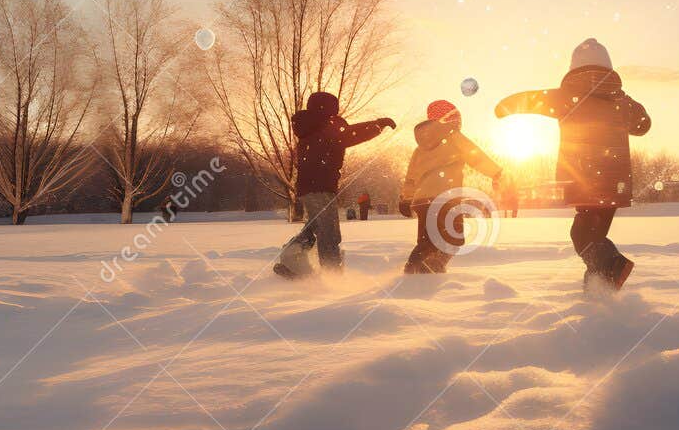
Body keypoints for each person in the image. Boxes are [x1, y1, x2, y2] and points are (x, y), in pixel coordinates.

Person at [496, 39, 650, 292]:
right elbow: (643, 125)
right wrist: (628, 103)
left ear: (574, 68)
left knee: (582, 235)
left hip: (583, 179)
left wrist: (506, 106)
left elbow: (533, 99)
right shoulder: (621, 102)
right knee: (595, 235)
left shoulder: (567, 96)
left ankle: (613, 266)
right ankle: (599, 287)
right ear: (609, 68)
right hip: (615, 182)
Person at [274, 93, 396, 280]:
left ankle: (291, 257)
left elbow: (347, 135)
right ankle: (332, 277)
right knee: (329, 232)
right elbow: (352, 134)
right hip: (321, 187)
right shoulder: (327, 127)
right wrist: (378, 125)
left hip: (309, 188)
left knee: (316, 225)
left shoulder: (308, 127)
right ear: (329, 109)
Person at [398, 100, 505, 274]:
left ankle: (420, 270)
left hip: (422, 201)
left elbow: (411, 176)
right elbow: (475, 156)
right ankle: (425, 268)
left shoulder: (420, 149)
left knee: (427, 240)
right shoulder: (453, 136)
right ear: (454, 118)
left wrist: (407, 198)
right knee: (454, 239)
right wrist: (495, 172)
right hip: (446, 198)